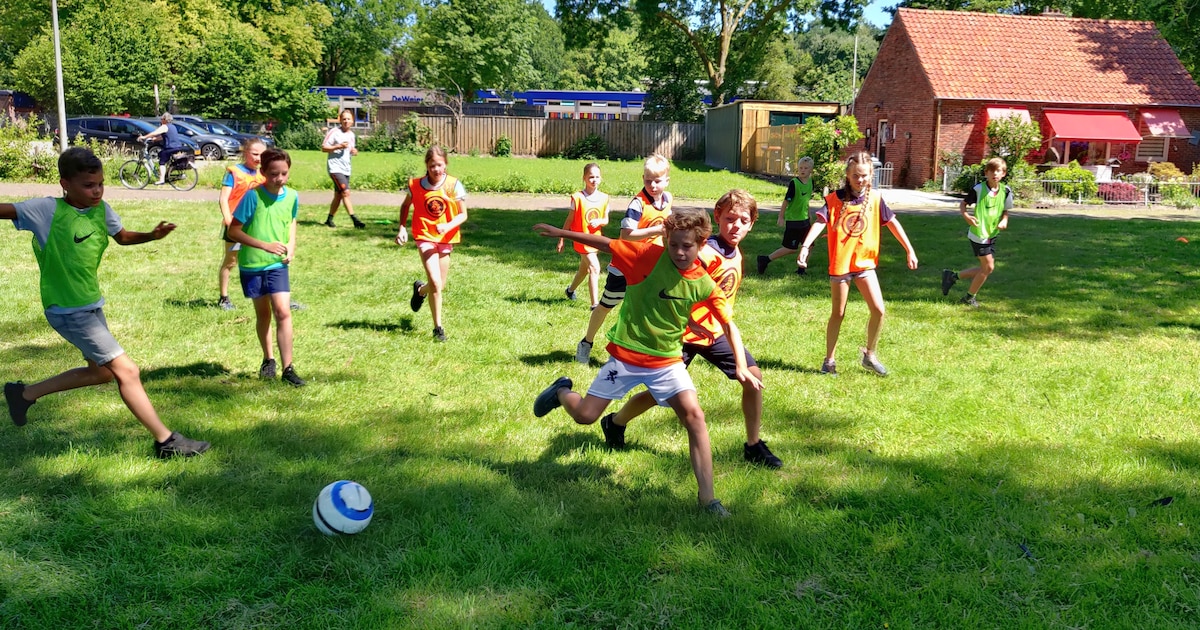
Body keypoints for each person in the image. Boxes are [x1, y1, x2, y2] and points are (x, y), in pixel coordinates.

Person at [531, 209, 762, 517]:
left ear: (701, 243)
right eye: (673, 244)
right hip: (625, 356)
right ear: (665, 240)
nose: (679, 252)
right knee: (585, 416)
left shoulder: (704, 283)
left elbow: (729, 324)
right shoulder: (646, 257)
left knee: (695, 417)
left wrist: (741, 366)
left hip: (666, 362)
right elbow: (606, 243)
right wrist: (562, 233)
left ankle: (708, 500)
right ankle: (562, 390)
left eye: (687, 246)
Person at [1, 147, 209, 458]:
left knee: (101, 373)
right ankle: (166, 442)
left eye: (100, 184)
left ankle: (24, 394)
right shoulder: (45, 211)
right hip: (67, 310)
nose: (97, 191)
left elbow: (121, 236)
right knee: (128, 371)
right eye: (88, 185)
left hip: (91, 304)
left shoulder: (102, 210)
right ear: (65, 184)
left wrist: (151, 236)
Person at [600, 190, 782, 469]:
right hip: (682, 333)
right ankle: (615, 422)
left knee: (752, 376)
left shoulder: (734, 252)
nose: (735, 226)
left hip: (713, 334)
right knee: (660, 393)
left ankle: (753, 444)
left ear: (752, 223)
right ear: (717, 217)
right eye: (730, 218)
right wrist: (689, 322)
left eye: (743, 221)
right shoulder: (704, 253)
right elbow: (674, 289)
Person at [798, 151, 918, 377]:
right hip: (841, 265)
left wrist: (909, 249)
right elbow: (820, 222)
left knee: (879, 310)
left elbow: (893, 223)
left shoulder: (875, 199)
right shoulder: (834, 199)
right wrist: (805, 246)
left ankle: (870, 355)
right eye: (855, 175)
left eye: (864, 175)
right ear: (847, 175)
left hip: (864, 264)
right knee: (838, 313)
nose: (860, 180)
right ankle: (829, 361)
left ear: (871, 175)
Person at [575, 153, 672, 364]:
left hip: (649, 266)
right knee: (606, 305)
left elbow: (666, 230)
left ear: (667, 180)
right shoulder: (638, 204)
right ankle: (586, 342)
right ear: (643, 178)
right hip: (625, 265)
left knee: (648, 309)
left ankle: (639, 352)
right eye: (648, 180)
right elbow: (626, 235)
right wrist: (657, 230)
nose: (652, 185)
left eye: (657, 181)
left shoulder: (667, 199)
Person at [227, 148, 306, 387]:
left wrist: (291, 246)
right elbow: (233, 231)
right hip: (252, 264)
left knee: (283, 311)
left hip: (277, 264)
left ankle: (288, 368)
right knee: (264, 314)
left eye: (284, 173)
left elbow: (291, 221)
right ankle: (268, 359)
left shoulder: (292, 196)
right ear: (263, 172)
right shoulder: (252, 197)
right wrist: (264, 245)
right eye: (273, 174)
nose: (279, 178)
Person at [396, 145, 469, 342]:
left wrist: (447, 226)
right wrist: (402, 228)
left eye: (439, 165)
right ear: (427, 166)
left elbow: (463, 214)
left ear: (445, 165)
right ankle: (438, 328)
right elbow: (405, 206)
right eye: (432, 166)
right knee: (435, 283)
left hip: (445, 238)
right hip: (424, 236)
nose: (436, 169)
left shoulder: (453, 185)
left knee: (439, 285)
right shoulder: (416, 185)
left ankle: (420, 290)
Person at [941, 157, 1012, 307]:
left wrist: (1004, 220)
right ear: (986, 173)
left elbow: (1005, 210)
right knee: (988, 267)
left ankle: (952, 277)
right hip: (979, 234)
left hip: (992, 234)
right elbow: (963, 204)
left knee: (986, 269)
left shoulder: (1006, 191)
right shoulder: (979, 189)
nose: (995, 174)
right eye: (991, 171)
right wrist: (967, 216)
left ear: (1003, 173)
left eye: (998, 171)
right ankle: (968, 297)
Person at [216, 138, 267, 310]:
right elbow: (223, 199)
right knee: (231, 261)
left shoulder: (264, 175)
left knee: (264, 260)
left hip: (256, 227)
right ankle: (224, 298)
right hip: (236, 227)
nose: (258, 158)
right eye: (255, 154)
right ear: (245, 153)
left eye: (262, 155)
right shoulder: (234, 173)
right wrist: (229, 220)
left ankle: (273, 294)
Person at [556, 163, 609, 309]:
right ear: (584, 178)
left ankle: (570, 290)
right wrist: (561, 239)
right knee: (594, 267)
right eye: (591, 177)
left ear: (601, 178)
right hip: (581, 239)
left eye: (597, 177)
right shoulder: (578, 198)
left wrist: (599, 221)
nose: (594, 180)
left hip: (595, 240)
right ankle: (595, 305)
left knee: (584, 270)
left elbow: (606, 219)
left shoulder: (604, 198)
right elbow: (569, 220)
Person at [757, 156, 816, 276]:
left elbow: (806, 200)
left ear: (811, 170)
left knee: (809, 245)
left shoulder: (811, 182)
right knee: (791, 248)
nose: (802, 170)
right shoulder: (794, 183)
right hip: (793, 221)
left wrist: (809, 213)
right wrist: (781, 216)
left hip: (805, 220)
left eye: (805, 168)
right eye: (800, 168)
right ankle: (765, 259)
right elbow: (786, 202)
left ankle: (801, 270)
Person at [322, 109, 364, 229]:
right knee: (346, 192)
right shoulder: (334, 132)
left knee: (338, 195)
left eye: (348, 119)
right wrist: (338, 146)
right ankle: (355, 220)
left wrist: (354, 151)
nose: (346, 121)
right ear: (340, 120)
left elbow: (350, 150)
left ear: (353, 121)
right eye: (344, 119)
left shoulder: (351, 135)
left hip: (346, 168)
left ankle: (329, 220)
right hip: (335, 168)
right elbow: (324, 148)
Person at [137, 112, 185, 186]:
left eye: (162, 119)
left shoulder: (164, 126)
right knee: (161, 155)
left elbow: (154, 133)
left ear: (165, 119)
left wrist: (144, 137)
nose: (161, 120)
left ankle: (161, 180)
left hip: (170, 147)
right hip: (177, 146)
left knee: (162, 162)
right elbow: (164, 136)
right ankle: (166, 174)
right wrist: (155, 139)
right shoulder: (173, 126)